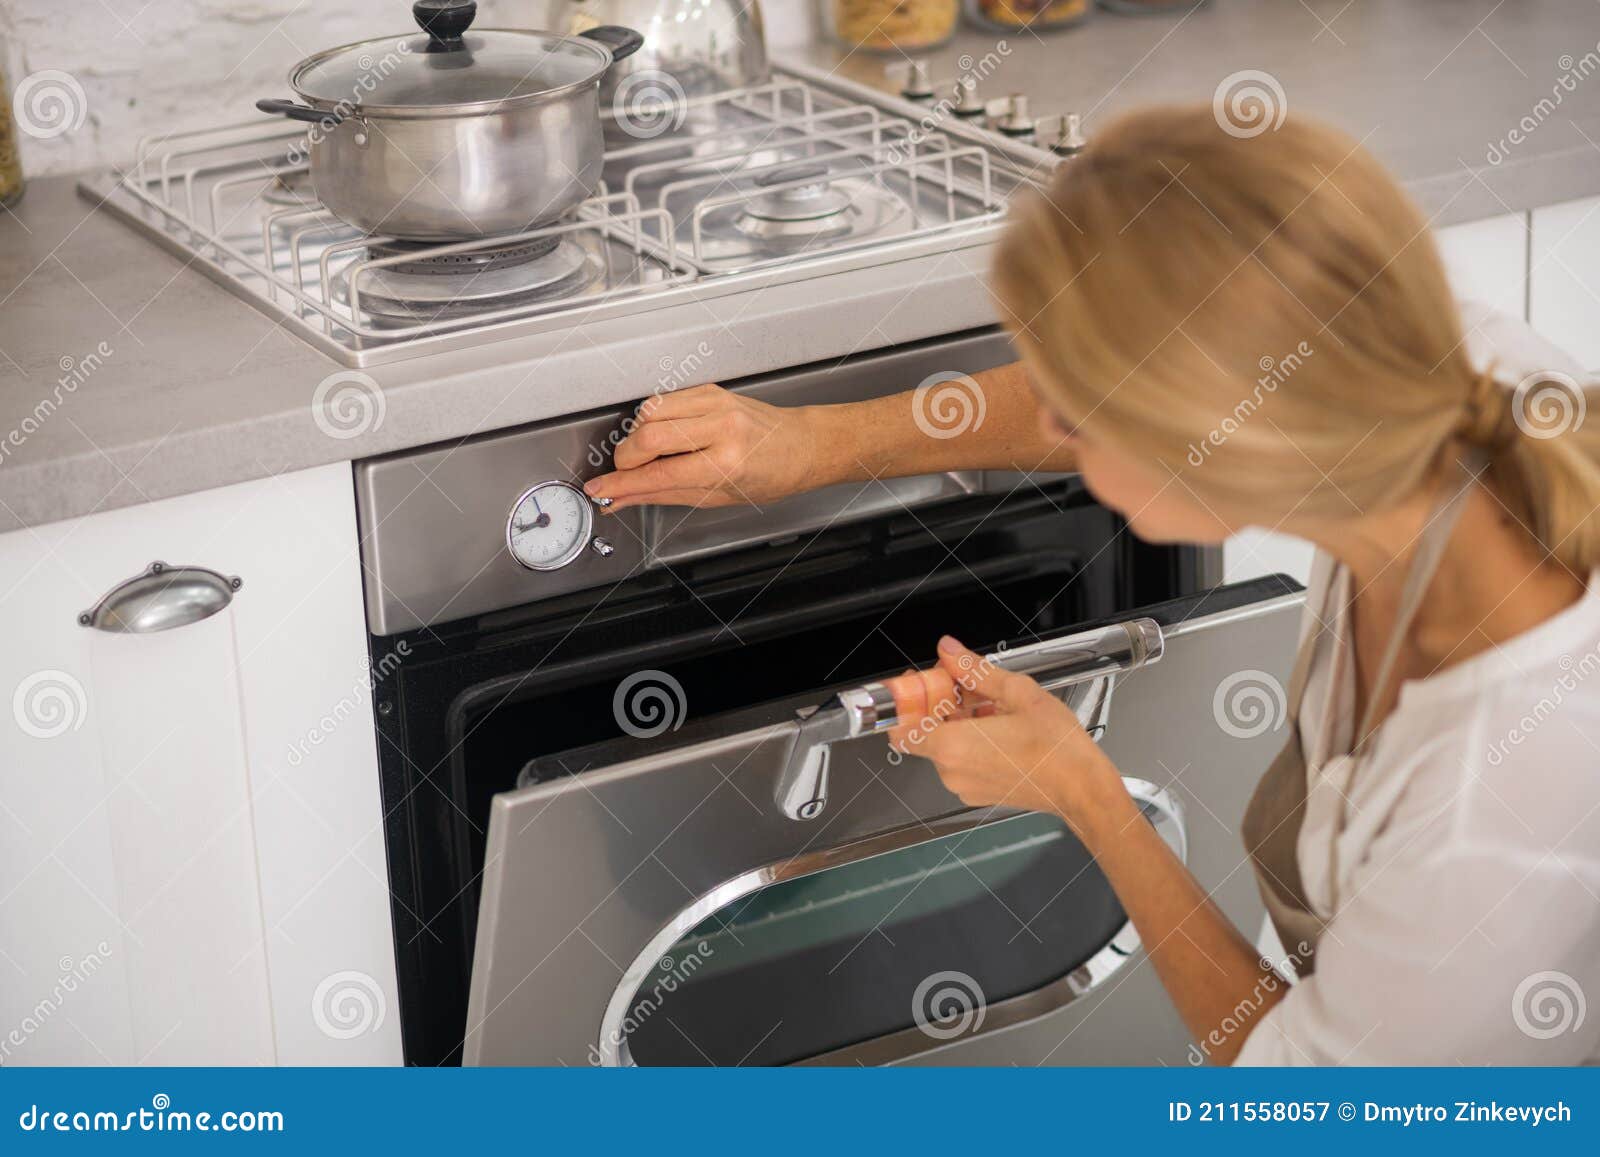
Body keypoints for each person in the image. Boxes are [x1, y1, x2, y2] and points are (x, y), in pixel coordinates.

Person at [585, 106, 1600, 1065]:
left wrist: (1084, 793)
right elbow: (1142, 362)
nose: (1053, 435)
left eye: (1078, 422)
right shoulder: (1420, 369)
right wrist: (815, 443)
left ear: (1202, 444)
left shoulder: (1500, 774)